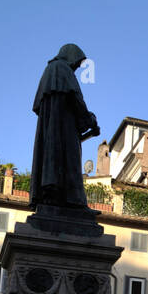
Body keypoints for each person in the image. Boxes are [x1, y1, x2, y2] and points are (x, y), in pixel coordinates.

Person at [30, 44, 100, 210]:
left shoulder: (51, 70)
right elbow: (76, 99)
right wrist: (91, 120)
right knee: (70, 161)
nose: (77, 67)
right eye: (77, 62)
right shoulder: (61, 68)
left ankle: (58, 198)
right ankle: (74, 202)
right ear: (70, 56)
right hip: (63, 127)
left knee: (59, 160)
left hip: (58, 128)